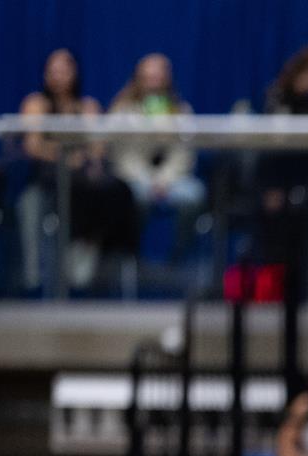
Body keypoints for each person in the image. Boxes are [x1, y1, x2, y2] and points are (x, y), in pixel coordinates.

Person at [15, 49, 135, 291]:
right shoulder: (36, 104)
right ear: (45, 74)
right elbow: (33, 145)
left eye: (64, 70)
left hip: (82, 184)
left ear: (75, 73)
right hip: (47, 180)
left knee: (119, 191)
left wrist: (84, 157)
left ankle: (93, 252)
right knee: (38, 202)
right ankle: (42, 276)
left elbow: (97, 148)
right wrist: (67, 157)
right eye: (53, 71)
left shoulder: (87, 106)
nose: (59, 76)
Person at [107, 54, 206, 222]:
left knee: (195, 194)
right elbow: (122, 156)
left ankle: (181, 241)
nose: (153, 84)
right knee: (135, 196)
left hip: (171, 181)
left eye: (158, 78)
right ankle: (131, 240)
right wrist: (147, 181)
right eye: (148, 78)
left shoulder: (181, 111)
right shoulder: (122, 110)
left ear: (167, 80)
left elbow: (183, 154)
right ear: (138, 79)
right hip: (134, 179)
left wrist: (163, 180)